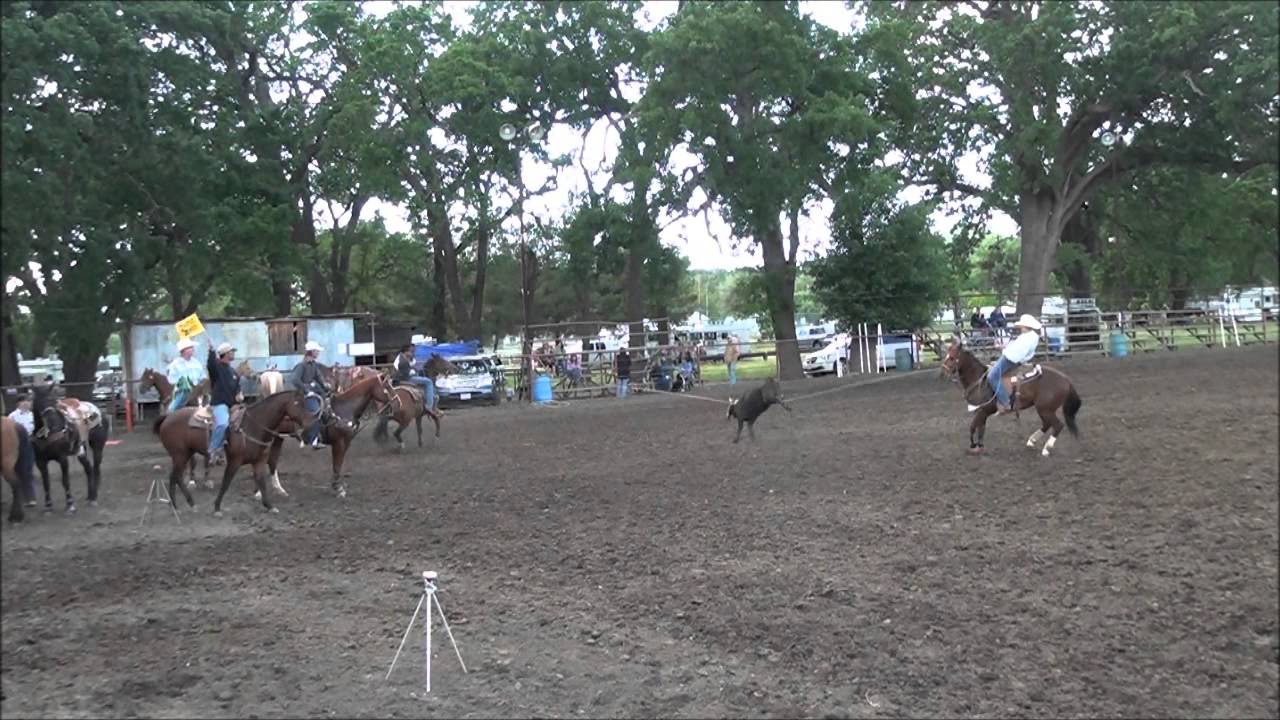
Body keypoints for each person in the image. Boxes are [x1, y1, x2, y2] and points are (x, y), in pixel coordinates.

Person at [987, 314, 1043, 414]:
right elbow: (1015, 349)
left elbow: (1014, 354)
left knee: (992, 376)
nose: (1020, 327)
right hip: (1013, 359)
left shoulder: (1026, 338)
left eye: (1021, 326)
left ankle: (1005, 402)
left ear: (1025, 326)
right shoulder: (1030, 336)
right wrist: (1004, 347)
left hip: (1010, 360)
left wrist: (1001, 348)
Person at [288, 340, 330, 449]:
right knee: (316, 412)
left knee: (327, 407)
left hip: (314, 392)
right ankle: (313, 441)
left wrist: (325, 385)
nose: (318, 353)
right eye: (317, 351)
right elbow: (295, 380)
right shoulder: (301, 366)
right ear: (311, 352)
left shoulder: (313, 365)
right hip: (304, 394)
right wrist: (306, 390)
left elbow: (318, 377)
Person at [206, 340, 241, 464]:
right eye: (232, 351)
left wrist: (239, 393)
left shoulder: (233, 372)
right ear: (226, 353)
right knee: (222, 424)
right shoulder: (217, 367)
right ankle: (213, 449)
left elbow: (237, 386)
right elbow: (210, 365)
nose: (233, 353)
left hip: (232, 405)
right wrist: (211, 351)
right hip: (220, 403)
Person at [393, 344, 435, 414]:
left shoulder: (402, 358)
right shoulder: (403, 361)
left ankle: (428, 398)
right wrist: (414, 371)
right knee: (429, 382)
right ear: (405, 352)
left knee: (422, 379)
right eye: (410, 352)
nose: (411, 353)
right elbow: (406, 374)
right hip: (407, 379)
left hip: (403, 378)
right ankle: (429, 406)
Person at [166, 338, 205, 413]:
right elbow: (171, 379)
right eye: (190, 348)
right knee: (172, 409)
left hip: (197, 390)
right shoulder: (176, 363)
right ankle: (170, 415)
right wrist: (182, 382)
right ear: (184, 350)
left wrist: (202, 381)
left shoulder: (196, 362)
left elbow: (202, 375)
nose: (193, 349)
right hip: (183, 390)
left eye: (192, 348)